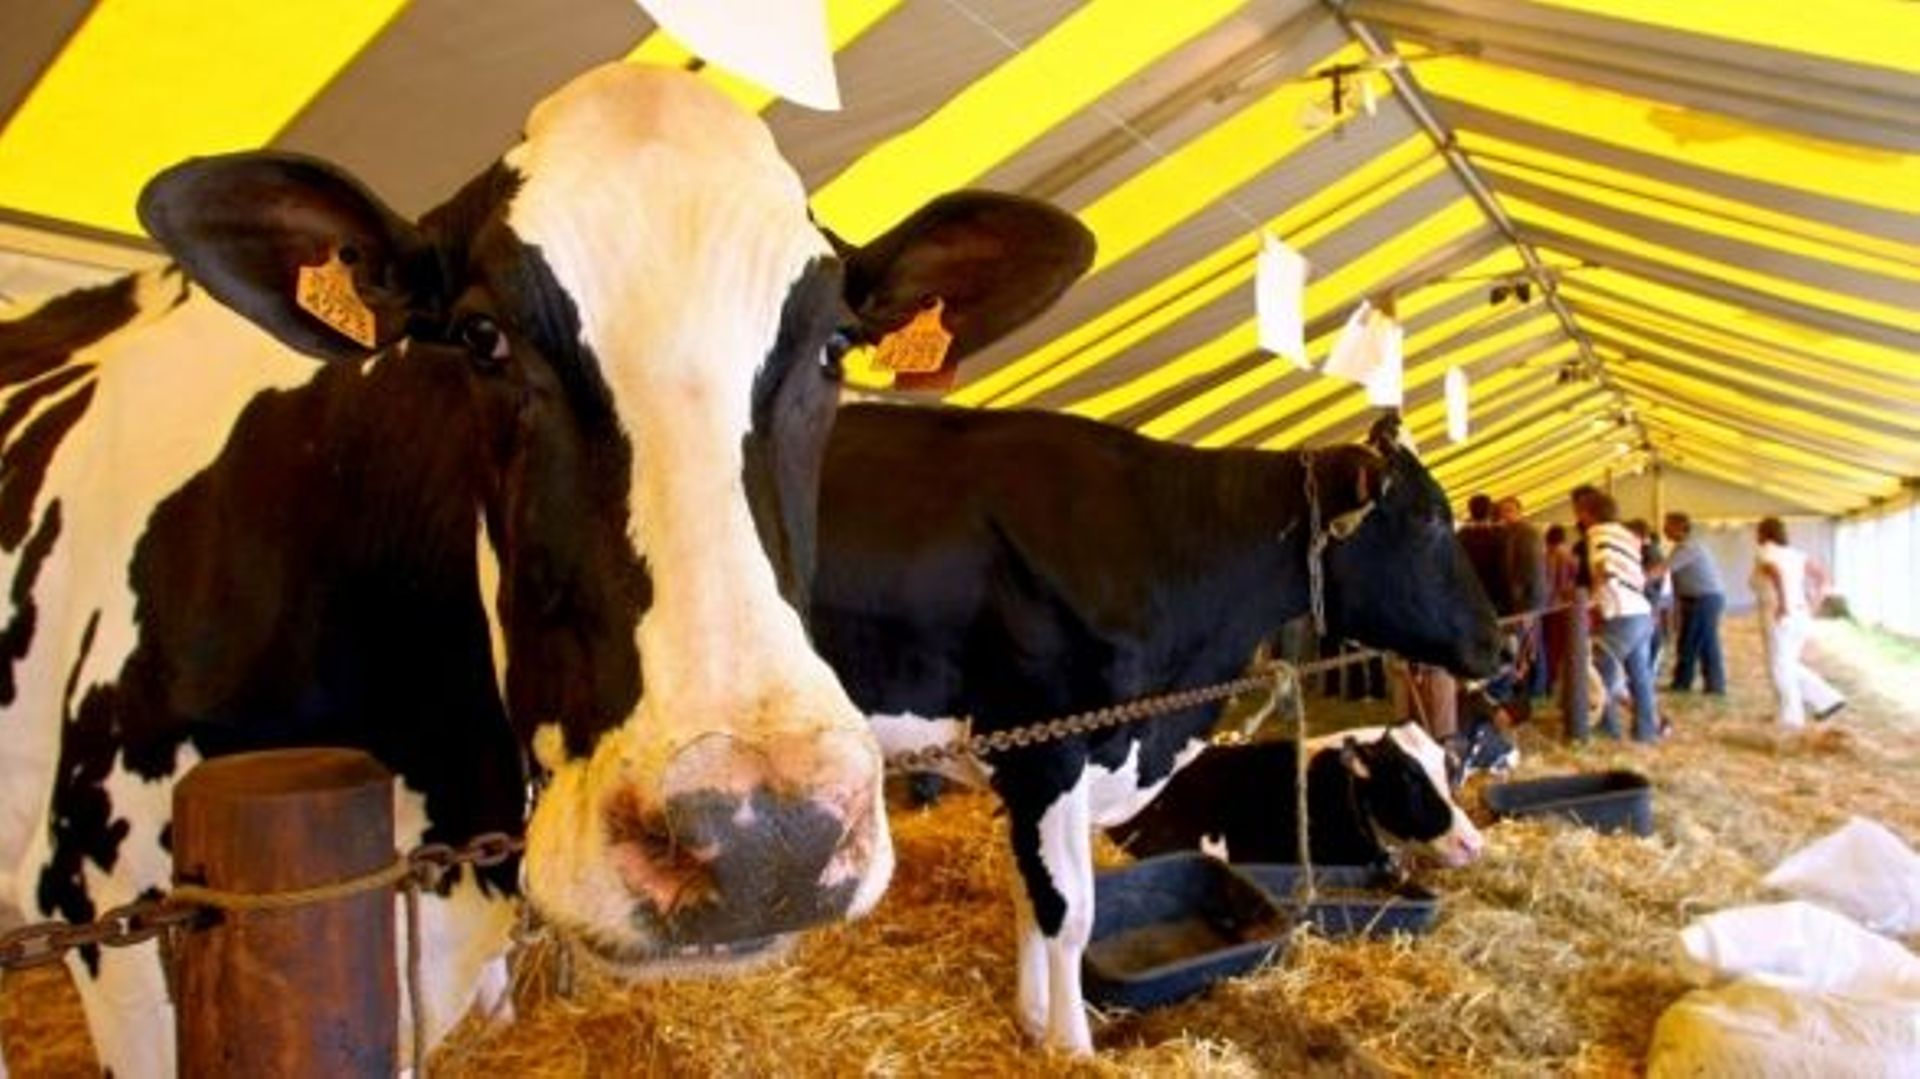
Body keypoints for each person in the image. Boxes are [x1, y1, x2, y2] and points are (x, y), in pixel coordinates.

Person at [1571, 486, 1658, 743]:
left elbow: (1604, 565)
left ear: (1588, 513)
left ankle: (1607, 728)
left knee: (1599, 673)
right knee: (1639, 675)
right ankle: (1645, 731)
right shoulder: (1626, 534)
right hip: (1641, 610)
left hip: (1620, 611)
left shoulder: (1597, 534)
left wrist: (1594, 593)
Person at [1752, 517, 1846, 728]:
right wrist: (1813, 606)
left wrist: (1783, 603)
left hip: (1777, 613)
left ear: (1763, 533)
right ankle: (1825, 700)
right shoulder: (1796, 554)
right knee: (1788, 663)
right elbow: (1823, 578)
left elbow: (1774, 571)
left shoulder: (1765, 551)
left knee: (1780, 667)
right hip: (1800, 613)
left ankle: (1792, 719)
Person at [1659, 512, 1726, 695]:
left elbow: (1662, 569)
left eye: (1667, 525)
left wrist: (1637, 578)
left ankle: (1684, 683)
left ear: (1680, 527)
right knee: (1704, 641)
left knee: (1691, 642)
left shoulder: (1688, 548)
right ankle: (1712, 685)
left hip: (1704, 599)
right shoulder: (1682, 547)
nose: (1664, 529)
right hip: (1700, 599)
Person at [1498, 496, 1549, 698]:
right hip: (1524, 599)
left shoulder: (1526, 533)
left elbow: (1530, 570)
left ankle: (1535, 686)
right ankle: (1532, 685)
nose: (1506, 514)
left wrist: (1524, 599)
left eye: (1510, 509)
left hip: (1528, 599)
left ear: (1520, 511)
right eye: (1503, 510)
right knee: (1526, 642)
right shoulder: (1512, 533)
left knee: (1530, 643)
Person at [1541, 523, 1579, 695]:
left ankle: (1549, 682)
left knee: (1548, 646)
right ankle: (1560, 682)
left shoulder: (1544, 556)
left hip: (1546, 607)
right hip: (1564, 607)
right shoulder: (1571, 557)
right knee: (1563, 647)